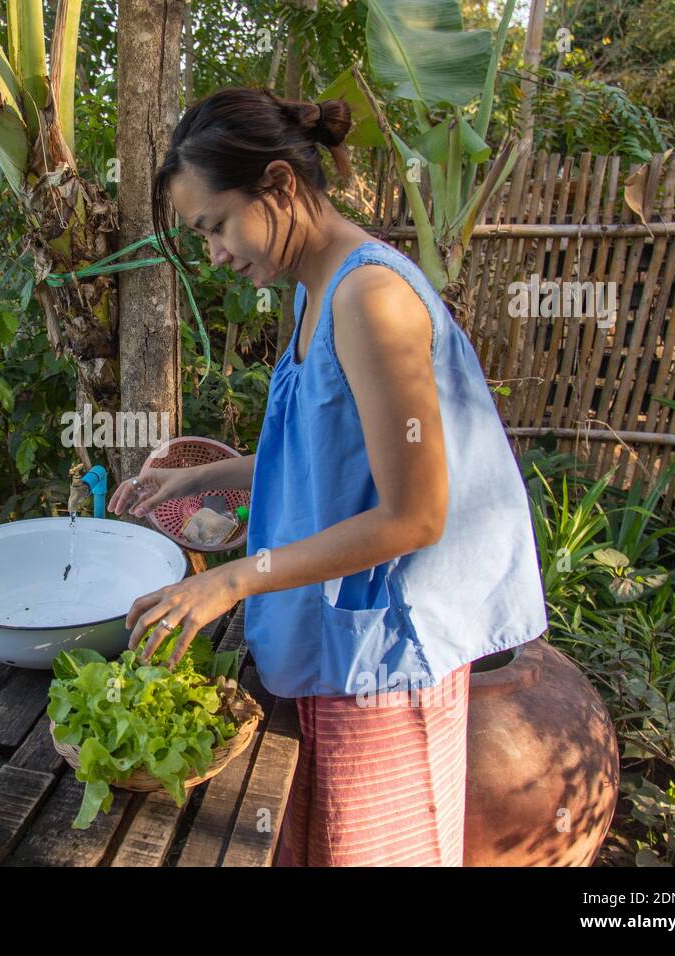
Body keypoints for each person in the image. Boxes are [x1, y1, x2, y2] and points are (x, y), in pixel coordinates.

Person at [107, 86, 548, 866]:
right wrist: (208, 479)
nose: (213, 254)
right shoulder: (320, 290)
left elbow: (414, 517)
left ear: (278, 185)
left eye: (214, 226)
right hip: (333, 645)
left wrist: (231, 581)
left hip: (382, 662)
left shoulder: (371, 298)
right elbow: (328, 450)